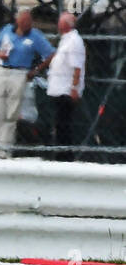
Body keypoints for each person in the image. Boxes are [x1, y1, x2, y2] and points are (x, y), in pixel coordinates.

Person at [0, 9, 54, 158]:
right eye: (24, 21)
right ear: (18, 21)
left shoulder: (35, 36)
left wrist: (36, 70)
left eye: (29, 22)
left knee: (12, 112)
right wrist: (1, 55)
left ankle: (5, 149)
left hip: (19, 73)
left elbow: (50, 54)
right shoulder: (6, 30)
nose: (27, 24)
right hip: (1, 70)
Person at [45, 11, 86, 161]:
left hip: (66, 90)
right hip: (58, 89)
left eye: (61, 22)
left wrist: (74, 88)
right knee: (60, 123)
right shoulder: (65, 40)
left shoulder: (74, 41)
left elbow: (77, 67)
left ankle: (65, 155)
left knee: (64, 124)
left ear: (65, 25)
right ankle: (61, 153)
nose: (58, 25)